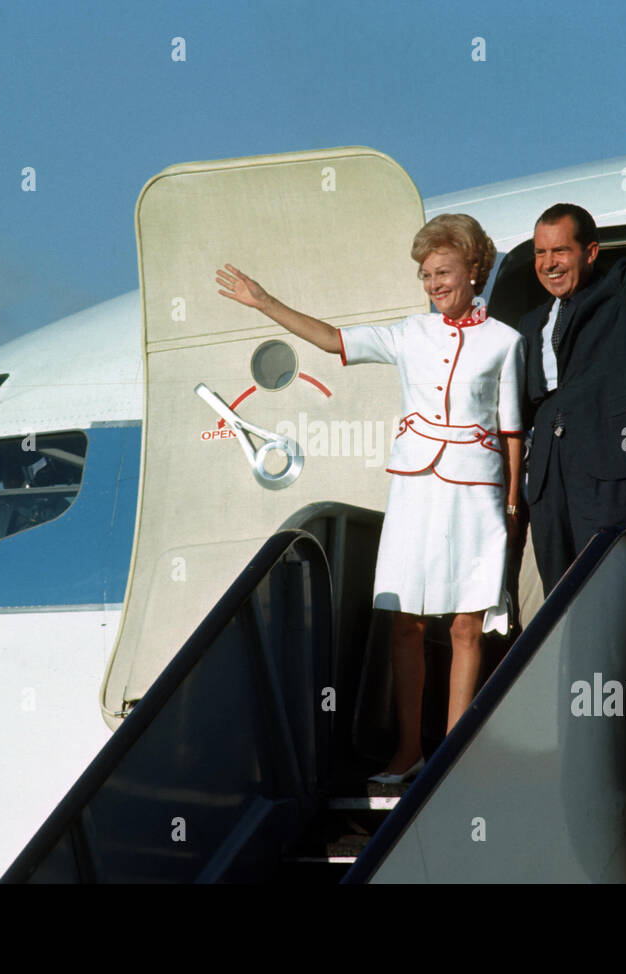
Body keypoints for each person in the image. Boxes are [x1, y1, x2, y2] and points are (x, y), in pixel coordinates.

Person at [217, 214, 524, 784]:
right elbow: (334, 339)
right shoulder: (409, 333)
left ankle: (454, 752)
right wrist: (265, 303)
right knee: (404, 619)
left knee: (465, 624)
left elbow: (511, 430)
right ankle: (408, 750)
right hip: (415, 484)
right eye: (426, 275)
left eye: (443, 272)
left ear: (473, 270)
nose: (433, 285)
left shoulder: (506, 342)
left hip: (476, 490)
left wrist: (509, 502)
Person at [517, 103, 626, 594]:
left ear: (590, 252)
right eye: (540, 253)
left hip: (612, 473)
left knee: (608, 594)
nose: (549, 264)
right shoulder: (532, 322)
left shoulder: (620, 289)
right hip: (551, 484)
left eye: (560, 251)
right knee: (560, 603)